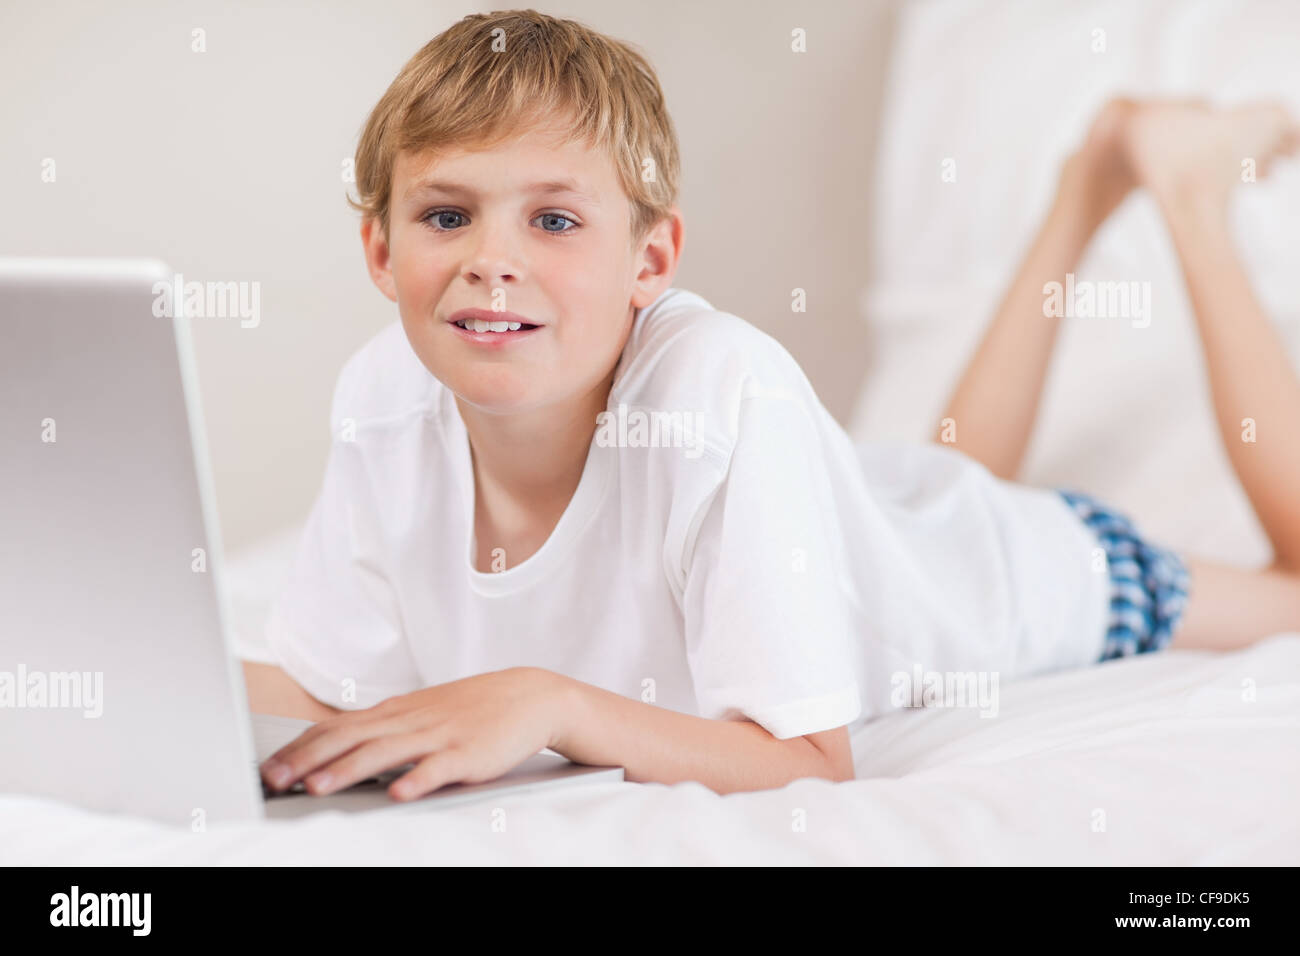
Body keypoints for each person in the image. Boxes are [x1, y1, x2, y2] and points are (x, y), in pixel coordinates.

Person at [245, 10, 1300, 802]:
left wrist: (551, 698)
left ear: (649, 257)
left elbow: (807, 759)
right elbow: (336, 692)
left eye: (554, 220)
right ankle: (1086, 181)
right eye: (446, 214)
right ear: (382, 249)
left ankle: (1184, 191)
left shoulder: (722, 390)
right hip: (877, 523)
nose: (491, 262)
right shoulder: (383, 395)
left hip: (1016, 565)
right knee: (924, 491)